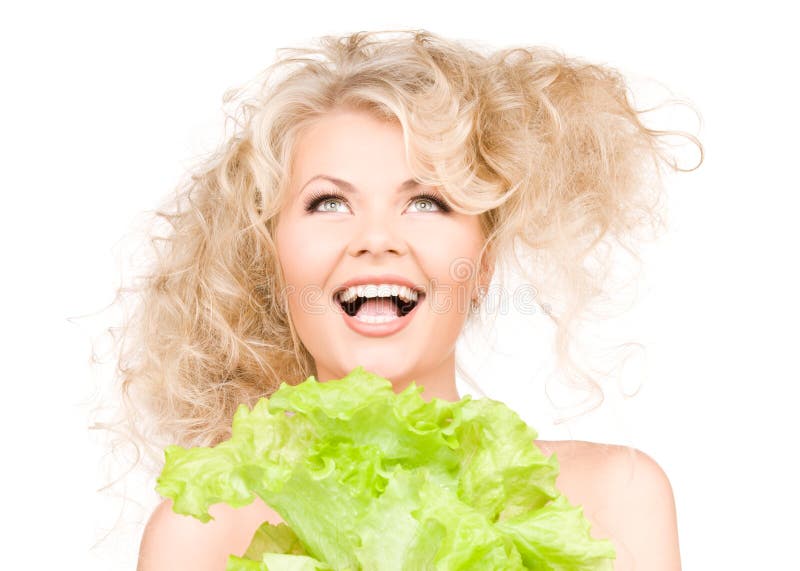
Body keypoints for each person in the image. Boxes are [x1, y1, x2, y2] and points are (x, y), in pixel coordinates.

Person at [114, 29, 697, 570]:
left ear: (484, 263)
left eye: (426, 202)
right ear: (271, 258)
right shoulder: (198, 530)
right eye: (328, 203)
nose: (375, 239)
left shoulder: (615, 500)